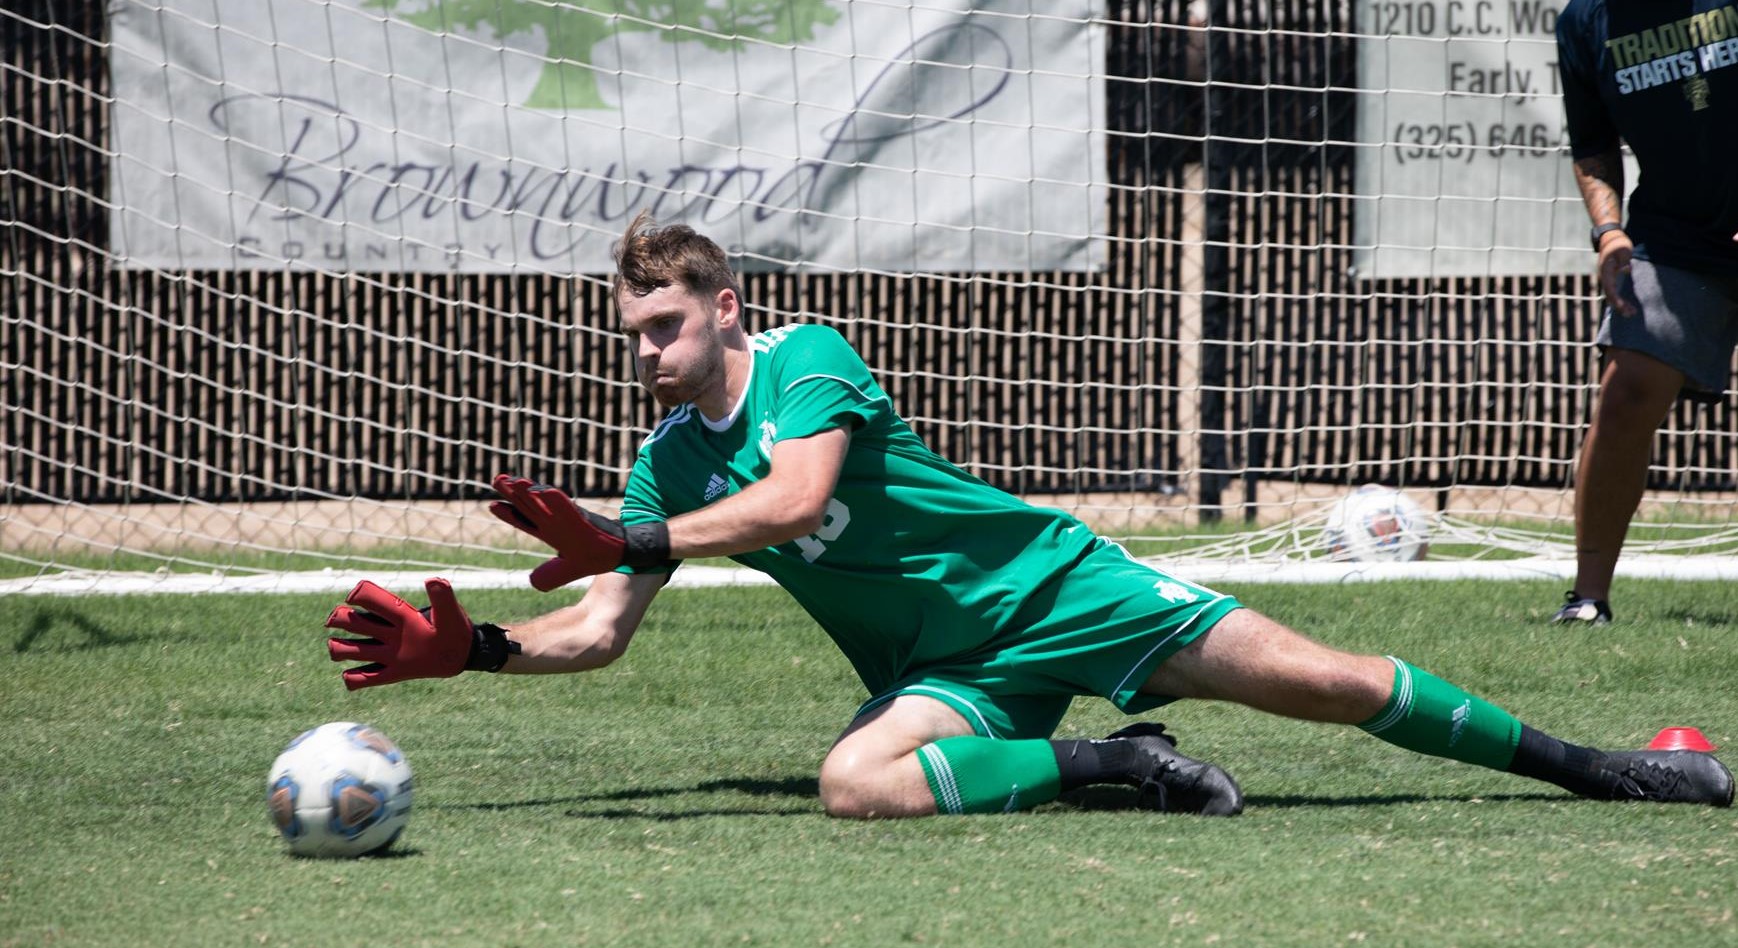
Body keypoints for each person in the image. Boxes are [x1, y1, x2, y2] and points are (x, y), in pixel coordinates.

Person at [324, 214, 1733, 817]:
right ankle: (1105, 762)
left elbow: (794, 499)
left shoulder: (808, 358)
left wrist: (624, 540)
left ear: (724, 306)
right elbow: (602, 630)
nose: (647, 351)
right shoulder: (658, 468)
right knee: (850, 785)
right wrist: (489, 649)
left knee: (1334, 684)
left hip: (1057, 589)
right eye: (631, 334)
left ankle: (1609, 769)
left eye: (666, 325)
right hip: (954, 675)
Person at [1552, 0, 1738, 625]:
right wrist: (1608, 232)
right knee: (1628, 388)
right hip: (1675, 235)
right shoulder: (1584, 22)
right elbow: (1593, 143)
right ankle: (1587, 599)